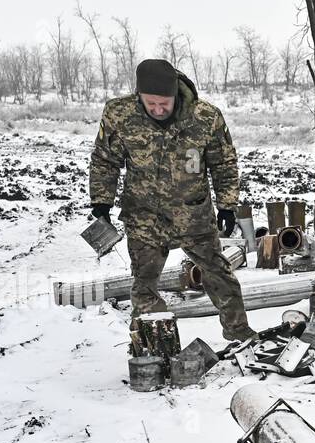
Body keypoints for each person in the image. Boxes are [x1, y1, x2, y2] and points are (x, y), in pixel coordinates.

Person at [89, 58, 255, 343]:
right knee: (144, 283)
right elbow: (105, 160)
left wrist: (227, 204)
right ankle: (153, 345)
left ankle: (239, 333)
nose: (157, 110)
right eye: (150, 103)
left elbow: (224, 163)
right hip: (144, 216)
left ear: (175, 95)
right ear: (138, 95)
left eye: (163, 103)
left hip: (194, 214)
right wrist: (101, 203)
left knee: (219, 274)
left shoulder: (205, 117)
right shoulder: (119, 114)